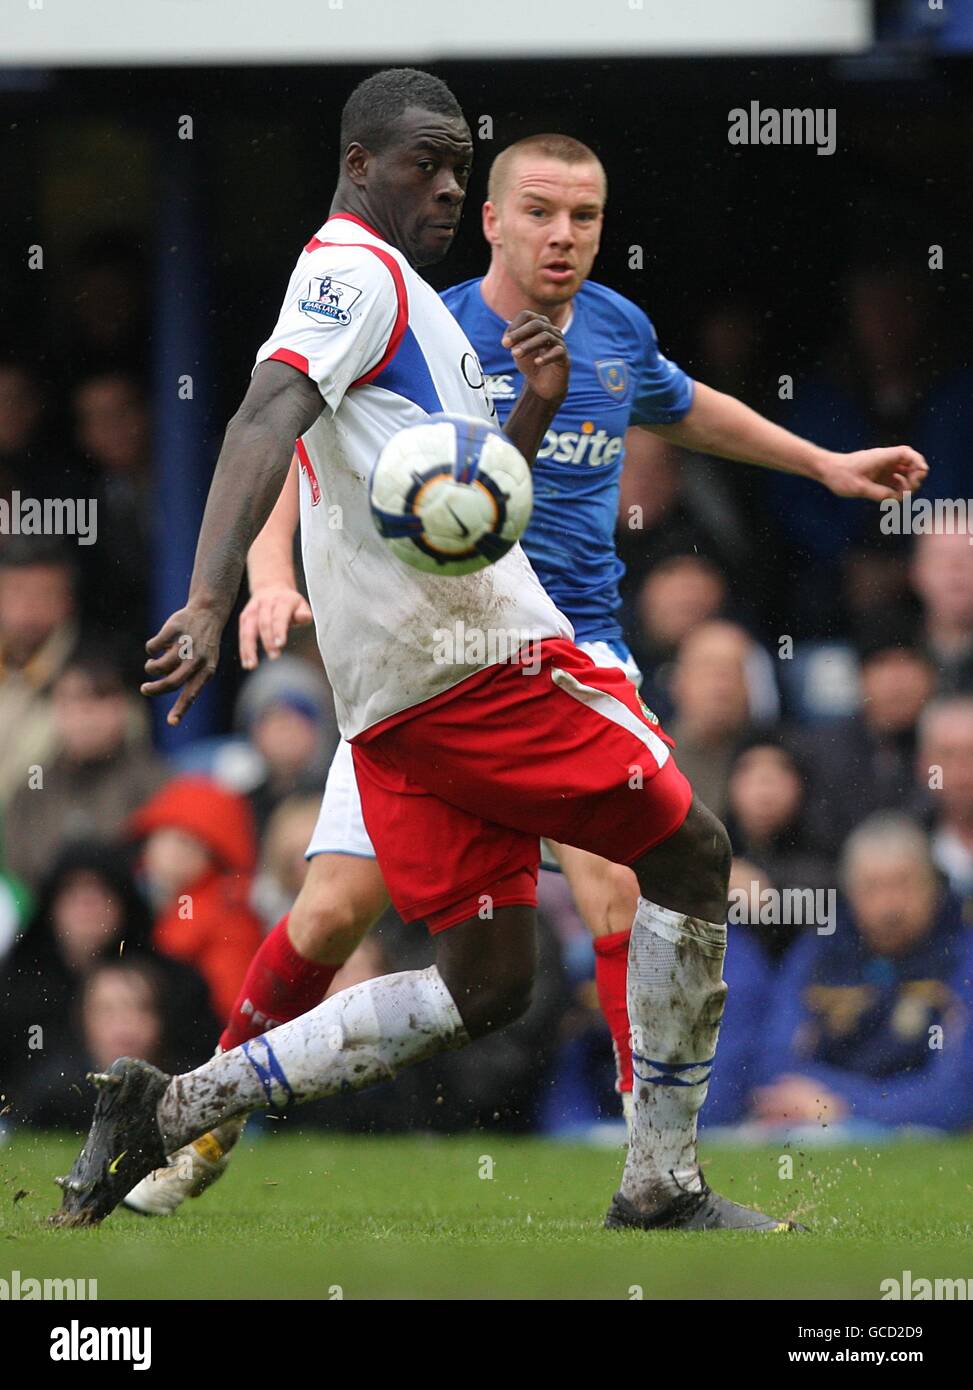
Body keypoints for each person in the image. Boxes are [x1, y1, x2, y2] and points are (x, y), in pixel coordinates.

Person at [53, 68, 924, 1234]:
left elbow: (471, 496)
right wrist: (236, 588)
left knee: (494, 981)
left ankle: (175, 1108)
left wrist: (809, 461)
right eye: (448, 174)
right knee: (673, 856)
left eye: (583, 215)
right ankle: (658, 1177)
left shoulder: (537, 327)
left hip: (441, 677)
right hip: (482, 662)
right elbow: (274, 424)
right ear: (385, 174)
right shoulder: (374, 286)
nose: (465, 195)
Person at [752, 814, 973, 1134]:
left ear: (933, 886)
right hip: (817, 1126)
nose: (889, 906)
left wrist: (840, 1105)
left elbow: (956, 1096)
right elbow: (773, 1068)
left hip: (920, 1133)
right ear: (850, 893)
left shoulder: (963, 954)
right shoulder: (820, 951)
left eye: (903, 884)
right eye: (872, 888)